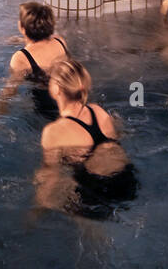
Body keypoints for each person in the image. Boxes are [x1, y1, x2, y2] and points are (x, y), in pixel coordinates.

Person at [35, 58, 136, 217]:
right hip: (128, 180)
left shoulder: (53, 131)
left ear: (57, 89)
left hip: (99, 191)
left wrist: (36, 210)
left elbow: (51, 177)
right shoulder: (98, 111)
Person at [0, 1, 69, 117]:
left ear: (22, 28)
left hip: (48, 104)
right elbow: (41, 43)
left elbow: (9, 92)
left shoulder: (21, 58)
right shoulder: (60, 40)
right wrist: (20, 40)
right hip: (68, 94)